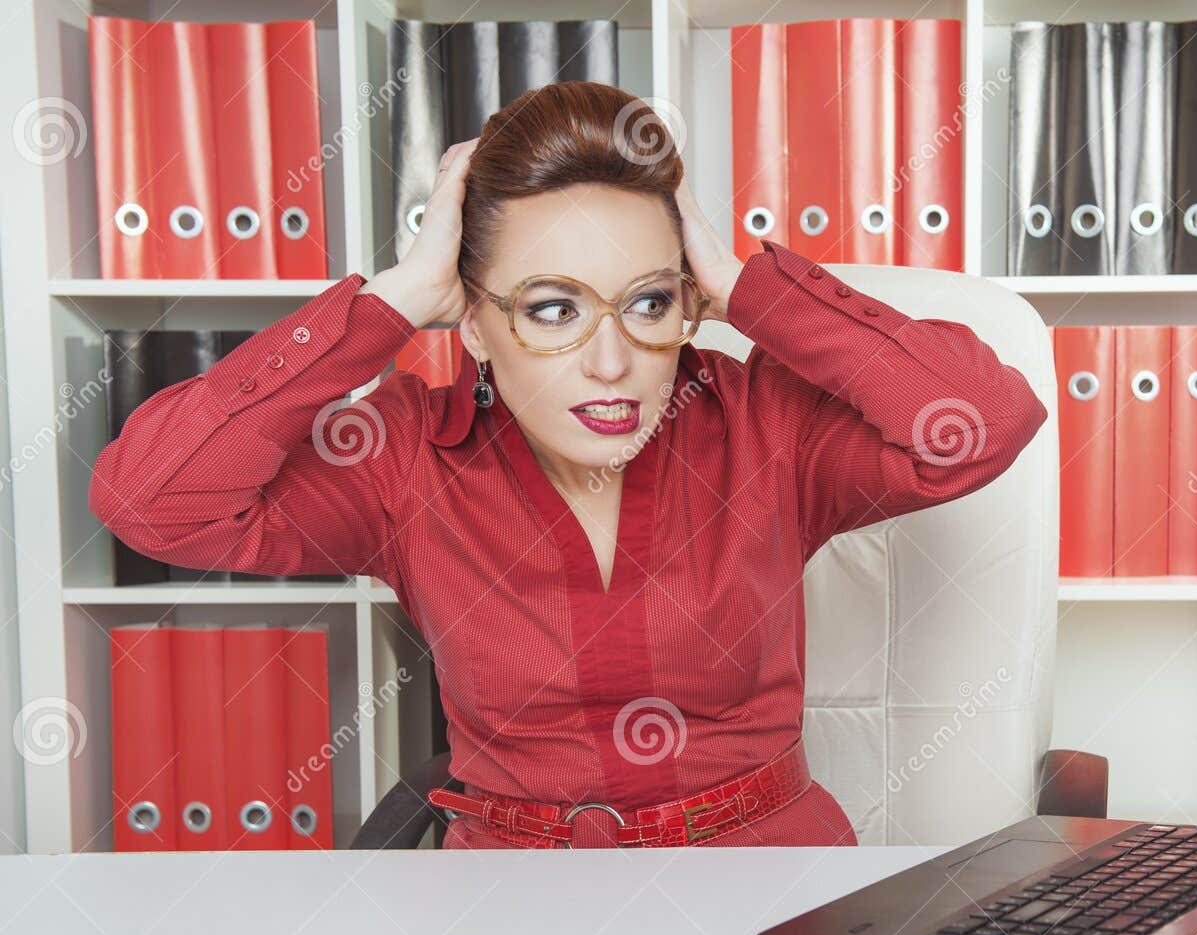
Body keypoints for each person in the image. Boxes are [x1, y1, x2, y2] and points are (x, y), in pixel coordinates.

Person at [89, 82, 1048, 850]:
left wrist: (744, 284)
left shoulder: (766, 425)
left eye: (646, 303)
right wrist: (388, 302)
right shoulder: (401, 459)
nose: (609, 360)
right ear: (472, 321)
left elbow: (987, 419)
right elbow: (152, 501)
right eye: (551, 308)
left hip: (761, 880)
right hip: (510, 909)